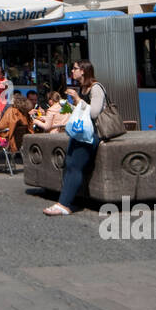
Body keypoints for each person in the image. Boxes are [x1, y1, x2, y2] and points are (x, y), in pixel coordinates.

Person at [44, 60, 107, 216]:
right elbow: (81, 111)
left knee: (74, 165)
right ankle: (67, 200)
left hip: (92, 134)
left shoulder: (96, 88)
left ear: (84, 71)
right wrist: (66, 106)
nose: (72, 71)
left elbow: (94, 113)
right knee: (70, 163)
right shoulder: (83, 88)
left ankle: (64, 204)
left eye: (75, 68)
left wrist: (78, 100)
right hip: (81, 132)